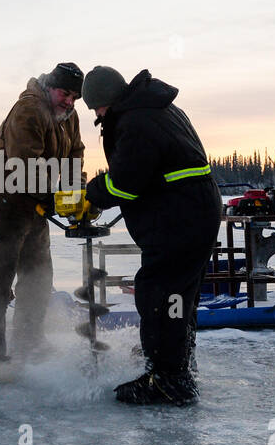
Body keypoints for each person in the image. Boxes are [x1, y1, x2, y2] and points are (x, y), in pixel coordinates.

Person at [80, 66, 220, 406]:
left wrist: (92, 195)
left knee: (160, 294)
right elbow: (147, 174)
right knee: (179, 297)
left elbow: (125, 183)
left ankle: (168, 381)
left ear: (106, 100)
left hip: (181, 218)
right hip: (195, 212)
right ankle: (177, 365)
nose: (97, 115)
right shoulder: (158, 109)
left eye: (96, 108)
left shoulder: (136, 121)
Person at [0, 62, 85, 375]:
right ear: (50, 87)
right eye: (65, 93)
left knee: (38, 275)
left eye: (75, 96)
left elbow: (74, 155)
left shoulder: (68, 117)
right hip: (4, 200)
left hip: (35, 205)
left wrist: (74, 198)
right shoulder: (29, 110)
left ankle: (29, 341)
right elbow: (24, 161)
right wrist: (49, 195)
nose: (69, 101)